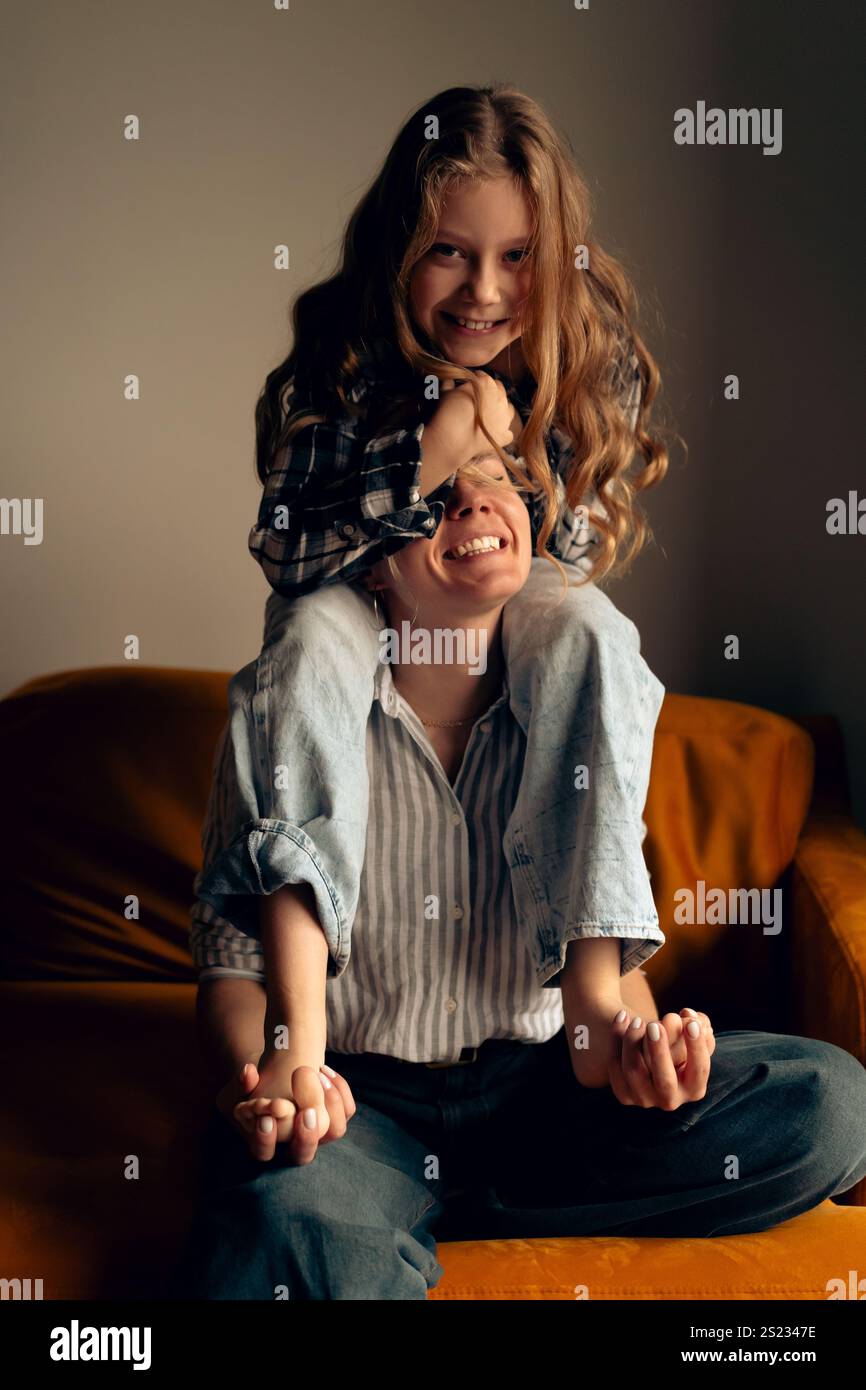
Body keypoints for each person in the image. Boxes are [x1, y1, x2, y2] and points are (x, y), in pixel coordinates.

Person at [168, 457, 866, 1301]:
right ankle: (365, 1209)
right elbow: (234, 977)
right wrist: (285, 1089)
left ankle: (426, 1215)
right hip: (367, 1105)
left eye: (499, 472)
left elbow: (607, 965)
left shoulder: (580, 697)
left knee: (831, 1102)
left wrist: (644, 1059)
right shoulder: (293, 715)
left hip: (547, 1095)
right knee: (281, 1226)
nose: (474, 497)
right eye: (432, 488)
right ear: (369, 549)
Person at [190, 84, 673, 1129]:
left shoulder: (578, 357)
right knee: (311, 636)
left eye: (514, 258)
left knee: (591, 628)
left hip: (518, 581)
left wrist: (510, 476)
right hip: (357, 577)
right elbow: (286, 549)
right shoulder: (346, 357)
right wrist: (422, 462)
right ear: (399, 250)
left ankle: (589, 991)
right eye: (449, 252)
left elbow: (572, 544)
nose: (482, 292)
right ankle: (306, 1050)